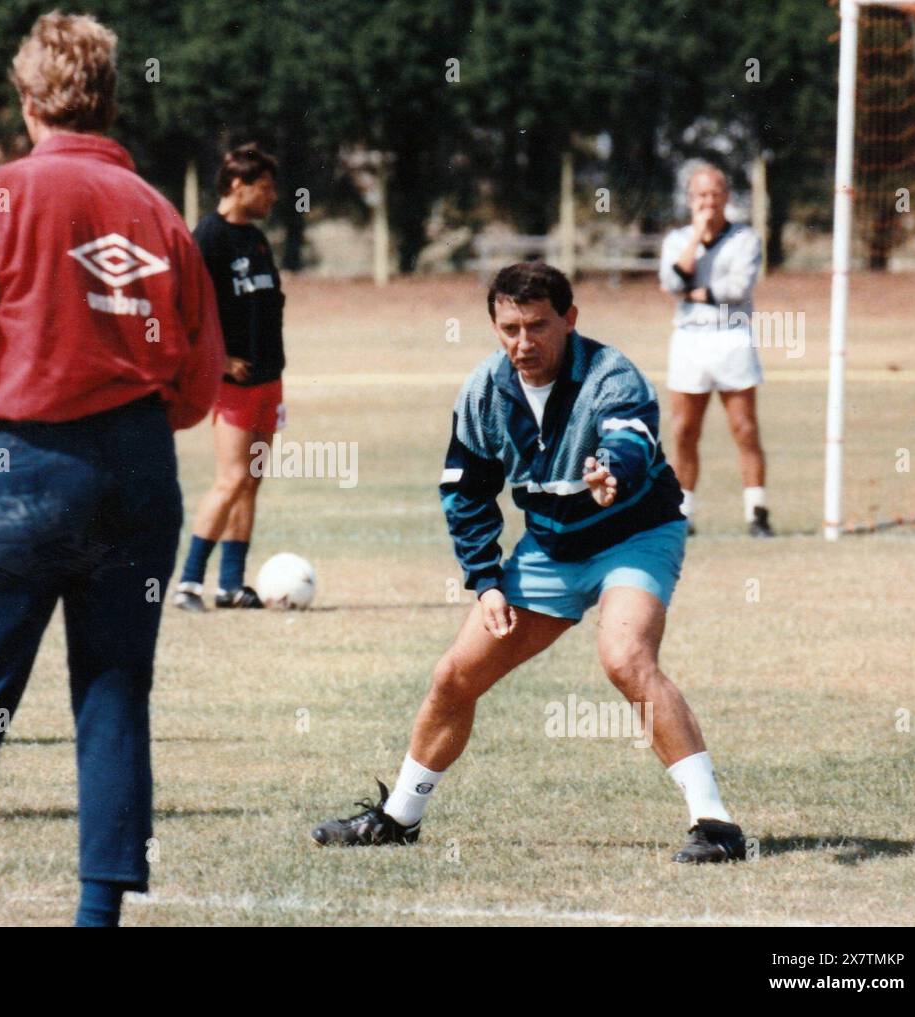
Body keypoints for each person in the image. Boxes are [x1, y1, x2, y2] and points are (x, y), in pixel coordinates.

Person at [0, 11, 224, 927]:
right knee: (114, 698)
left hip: (19, 466)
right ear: (109, 97)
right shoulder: (159, 211)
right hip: (140, 474)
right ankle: (96, 918)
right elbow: (198, 389)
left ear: (27, 100)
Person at [310, 262, 746, 864]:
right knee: (453, 677)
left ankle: (716, 824)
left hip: (636, 534)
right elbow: (466, 491)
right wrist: (486, 581)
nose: (523, 343)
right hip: (549, 547)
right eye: (509, 327)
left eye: (538, 326)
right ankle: (398, 818)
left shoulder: (610, 374)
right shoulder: (485, 392)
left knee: (625, 658)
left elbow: (632, 439)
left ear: (569, 319)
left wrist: (610, 469)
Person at [172, 144, 284, 611]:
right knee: (231, 476)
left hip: (268, 378)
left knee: (251, 479)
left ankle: (231, 585)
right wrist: (216, 362)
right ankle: (188, 583)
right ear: (238, 186)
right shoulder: (207, 239)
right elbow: (180, 311)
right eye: (265, 188)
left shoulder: (256, 239)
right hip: (232, 385)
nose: (273, 198)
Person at [659, 164, 773, 537]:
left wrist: (694, 292)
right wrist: (697, 237)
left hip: (731, 335)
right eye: (701, 195)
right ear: (691, 200)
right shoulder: (678, 239)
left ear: (726, 196)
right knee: (684, 430)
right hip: (690, 338)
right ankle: (682, 513)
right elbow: (672, 280)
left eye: (715, 194)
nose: (709, 202)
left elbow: (736, 289)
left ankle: (756, 511)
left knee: (744, 427)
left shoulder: (745, 239)